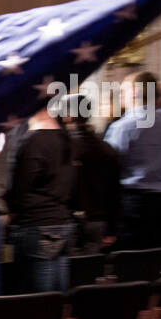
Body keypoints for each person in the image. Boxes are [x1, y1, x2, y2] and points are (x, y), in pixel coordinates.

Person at [104, 71, 161, 249]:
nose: (120, 95)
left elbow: (110, 168)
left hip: (133, 204)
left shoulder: (122, 126)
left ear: (135, 92)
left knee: (132, 261)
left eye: (123, 90)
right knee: (156, 257)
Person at [7, 103, 75, 292]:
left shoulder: (33, 141)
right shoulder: (65, 137)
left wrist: (12, 209)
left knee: (38, 299)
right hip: (62, 221)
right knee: (59, 295)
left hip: (36, 225)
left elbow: (21, 186)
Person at [64, 95, 120, 254]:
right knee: (91, 270)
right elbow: (114, 191)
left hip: (69, 220)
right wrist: (112, 228)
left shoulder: (63, 148)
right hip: (99, 221)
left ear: (68, 115)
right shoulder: (106, 148)